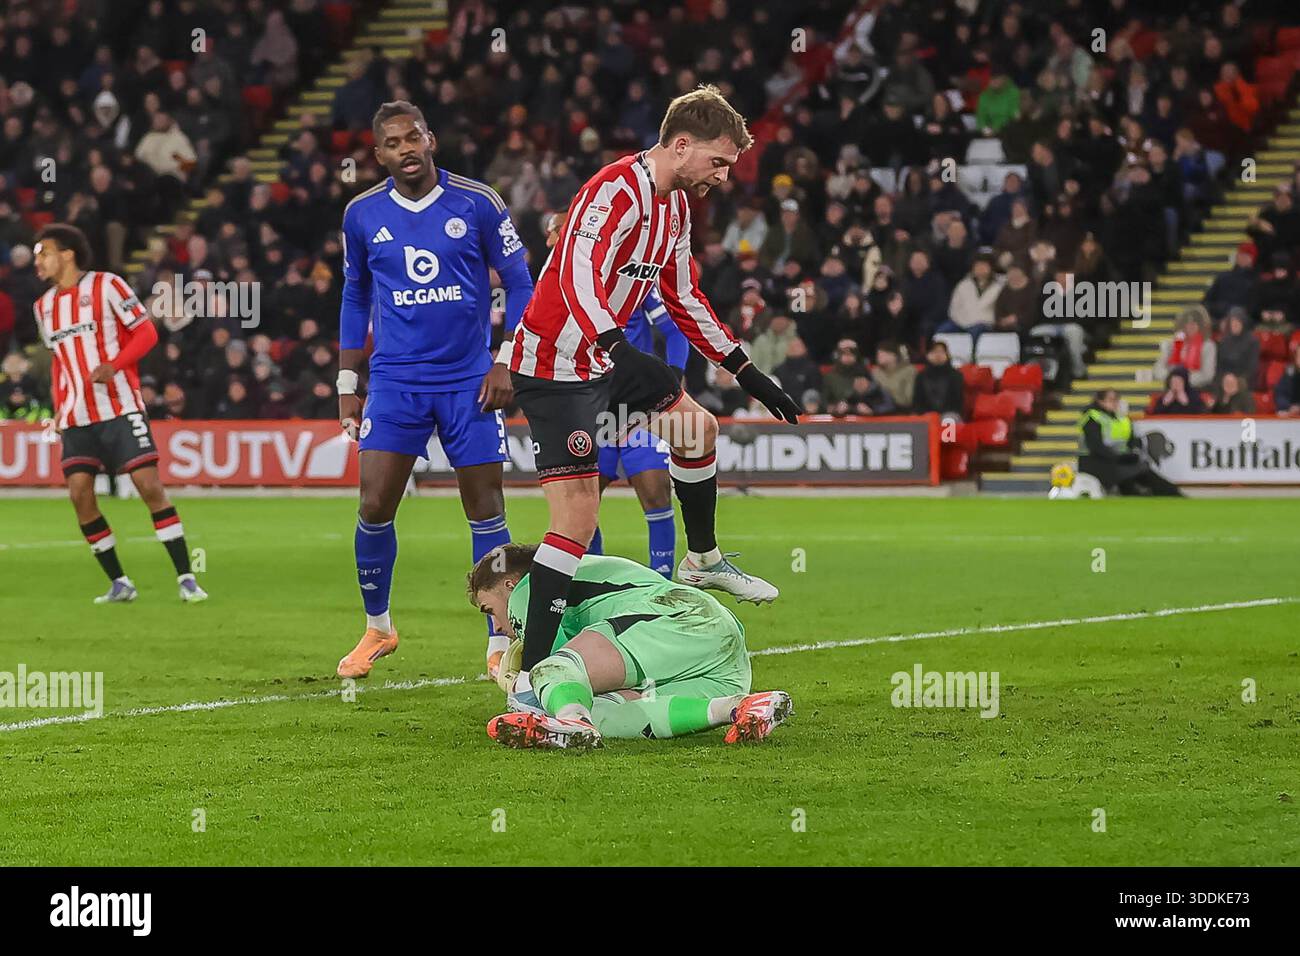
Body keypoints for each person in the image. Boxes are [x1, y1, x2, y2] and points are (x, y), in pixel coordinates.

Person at [498, 85, 801, 679]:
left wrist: (744, 368)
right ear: (681, 145)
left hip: (607, 358)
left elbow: (683, 296)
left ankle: (703, 559)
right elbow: (574, 277)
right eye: (718, 161)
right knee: (577, 523)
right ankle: (533, 674)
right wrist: (614, 344)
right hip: (556, 367)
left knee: (698, 428)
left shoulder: (679, 208)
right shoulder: (613, 190)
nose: (722, 176)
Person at [334, 101, 535, 680]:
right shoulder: (362, 214)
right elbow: (354, 296)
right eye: (393, 143)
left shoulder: (477, 202)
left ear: (432, 139)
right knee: (374, 504)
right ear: (379, 154)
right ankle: (378, 627)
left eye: (414, 137)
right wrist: (350, 379)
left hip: (468, 380)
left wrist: (505, 360)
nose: (406, 149)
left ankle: (500, 637)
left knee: (486, 508)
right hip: (396, 382)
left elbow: (520, 281)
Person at [469, 544, 793, 751]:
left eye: (490, 610)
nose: (497, 625)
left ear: (509, 585)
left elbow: (553, 670)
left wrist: (518, 688)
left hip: (672, 615)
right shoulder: (568, 573)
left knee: (551, 671)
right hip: (718, 644)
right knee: (606, 715)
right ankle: (739, 707)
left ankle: (571, 721)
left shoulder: (530, 585)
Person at [32, 223, 207, 603]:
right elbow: (58, 363)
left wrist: (115, 364)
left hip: (120, 407)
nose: (38, 261)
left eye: (43, 252)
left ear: (67, 254)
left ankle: (187, 578)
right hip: (77, 416)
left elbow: (146, 332)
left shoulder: (107, 286)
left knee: (148, 486)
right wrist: (59, 409)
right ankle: (120, 583)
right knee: (80, 495)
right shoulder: (43, 307)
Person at [1078, 388, 1182, 496]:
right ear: (1100, 401)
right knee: (1131, 476)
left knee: (1144, 472)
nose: (1115, 403)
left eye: (1116, 400)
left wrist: (1132, 454)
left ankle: (1173, 492)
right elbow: (1096, 446)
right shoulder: (1092, 418)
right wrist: (1121, 457)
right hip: (1094, 461)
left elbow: (1131, 442)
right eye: (1111, 400)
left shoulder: (1122, 419)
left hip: (1116, 460)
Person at [912, 340, 965, 419]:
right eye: (933, 352)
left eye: (941, 352)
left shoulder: (955, 375)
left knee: (949, 418)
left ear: (947, 355)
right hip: (926, 415)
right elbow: (917, 401)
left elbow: (957, 402)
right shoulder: (921, 376)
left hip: (949, 413)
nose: (937, 355)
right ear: (927, 355)